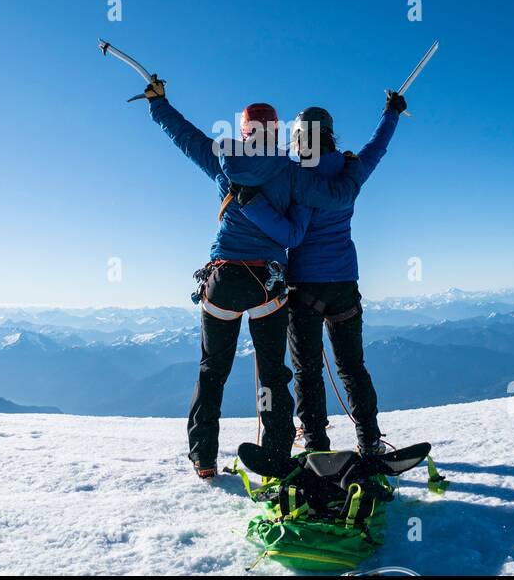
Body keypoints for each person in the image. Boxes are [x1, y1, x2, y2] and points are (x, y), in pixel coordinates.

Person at [141, 79, 369, 479]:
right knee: (272, 372)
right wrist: (351, 170)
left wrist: (159, 104)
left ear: (244, 133)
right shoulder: (292, 173)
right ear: (277, 131)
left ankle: (204, 459)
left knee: (213, 371)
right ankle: (277, 455)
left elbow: (185, 135)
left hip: (223, 280)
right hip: (269, 283)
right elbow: (320, 212)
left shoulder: (224, 159)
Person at [220, 91, 406, 456]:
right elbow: (376, 147)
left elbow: (294, 230)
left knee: (307, 371)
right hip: (344, 284)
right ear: (330, 134)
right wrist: (392, 112)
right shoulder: (351, 170)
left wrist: (248, 201)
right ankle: (370, 440)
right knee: (352, 366)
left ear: (299, 137)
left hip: (304, 285)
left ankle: (317, 445)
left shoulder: (295, 174)